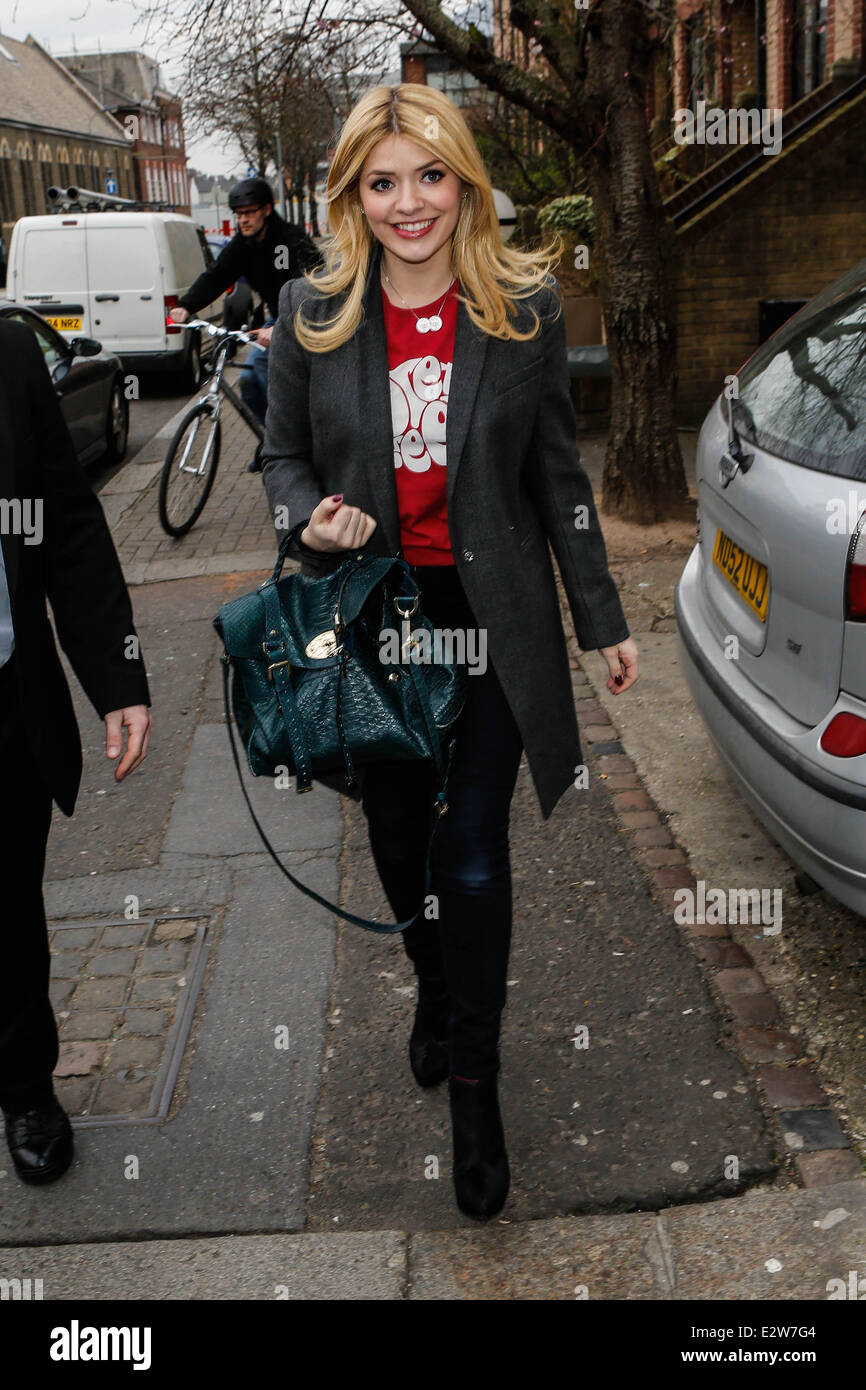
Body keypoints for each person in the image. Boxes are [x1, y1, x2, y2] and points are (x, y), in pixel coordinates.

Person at [260, 83, 639, 1222]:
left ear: (464, 181)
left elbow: (557, 481)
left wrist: (601, 614)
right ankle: (435, 983)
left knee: (470, 848)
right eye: (381, 181)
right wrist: (305, 517)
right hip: (373, 621)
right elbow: (278, 459)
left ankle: (475, 1081)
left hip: (488, 620)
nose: (407, 201)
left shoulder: (520, 307)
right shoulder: (313, 309)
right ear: (352, 195)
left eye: (430, 174)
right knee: (396, 843)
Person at [0, 319, 152, 1184]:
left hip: (6, 701)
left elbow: (65, 522)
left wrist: (119, 677)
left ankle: (24, 1086)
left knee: (7, 913)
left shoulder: (9, 354)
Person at [170, 177, 324, 433]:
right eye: (239, 214)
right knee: (251, 380)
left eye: (249, 213)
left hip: (307, 318)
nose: (243, 220)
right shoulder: (243, 246)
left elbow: (313, 286)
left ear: (266, 210)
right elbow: (217, 275)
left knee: (301, 386)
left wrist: (283, 327)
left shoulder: (291, 238)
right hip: (278, 319)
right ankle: (273, 439)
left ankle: (300, 441)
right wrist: (186, 306)